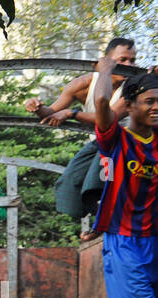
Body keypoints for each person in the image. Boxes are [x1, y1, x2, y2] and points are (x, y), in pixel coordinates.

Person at [91, 58, 158, 298]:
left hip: (152, 239)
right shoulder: (117, 138)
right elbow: (102, 104)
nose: (157, 108)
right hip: (123, 238)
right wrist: (104, 70)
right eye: (149, 102)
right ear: (130, 106)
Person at [28, 37, 137, 233]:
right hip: (100, 145)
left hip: (128, 147)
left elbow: (107, 118)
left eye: (132, 61)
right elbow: (52, 112)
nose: (128, 65)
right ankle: (98, 217)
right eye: (122, 60)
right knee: (71, 181)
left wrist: (72, 114)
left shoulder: (134, 86)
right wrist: (37, 108)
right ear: (106, 61)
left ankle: (106, 221)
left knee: (103, 177)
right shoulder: (83, 84)